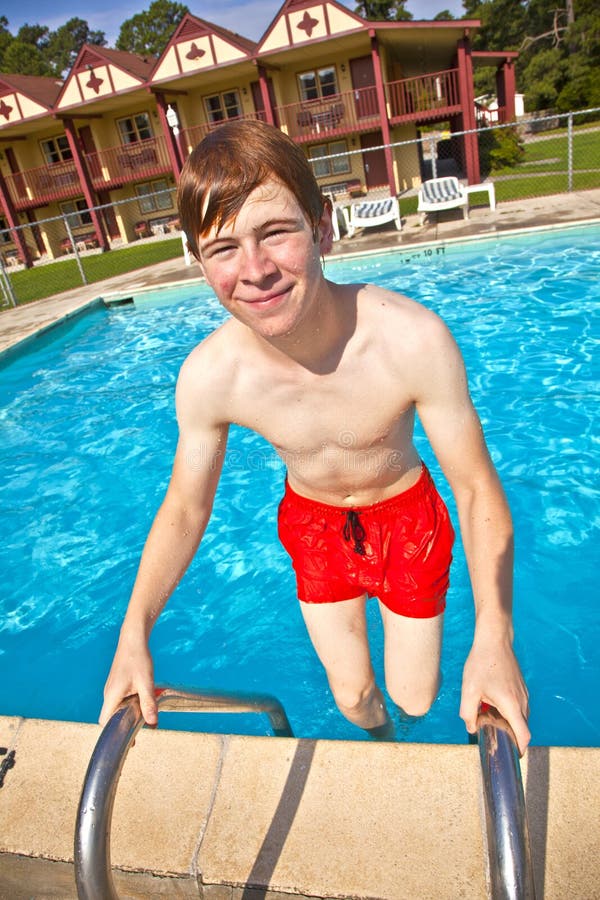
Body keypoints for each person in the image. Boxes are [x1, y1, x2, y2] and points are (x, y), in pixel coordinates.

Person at [99, 120, 530, 754]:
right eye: (224, 248)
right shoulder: (212, 377)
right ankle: (387, 750)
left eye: (276, 232)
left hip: (407, 520)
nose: (256, 270)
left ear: (322, 226)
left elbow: (474, 487)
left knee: (415, 694)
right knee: (353, 698)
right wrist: (133, 631)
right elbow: (186, 508)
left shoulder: (409, 340)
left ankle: (411, 730)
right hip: (314, 526)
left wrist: (496, 633)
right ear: (199, 262)